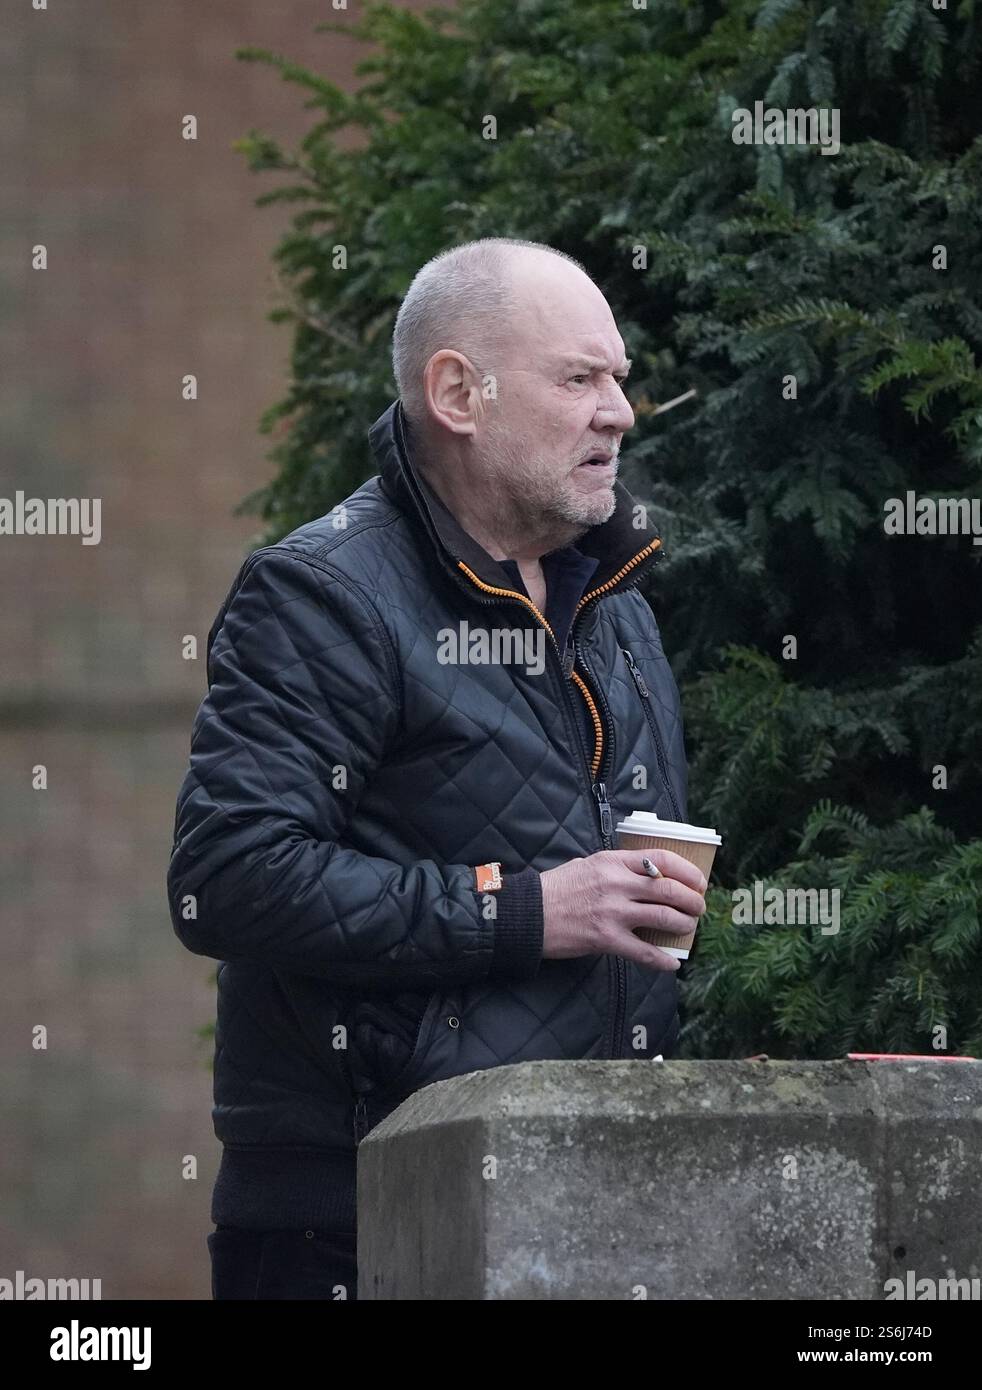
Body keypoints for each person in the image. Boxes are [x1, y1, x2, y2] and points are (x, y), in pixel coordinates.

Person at [167, 237, 707, 1300]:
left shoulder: (620, 607)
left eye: (621, 380)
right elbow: (225, 877)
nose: (620, 412)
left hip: (594, 1212)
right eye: (580, 378)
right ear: (457, 392)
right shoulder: (323, 595)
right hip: (356, 1225)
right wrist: (527, 908)